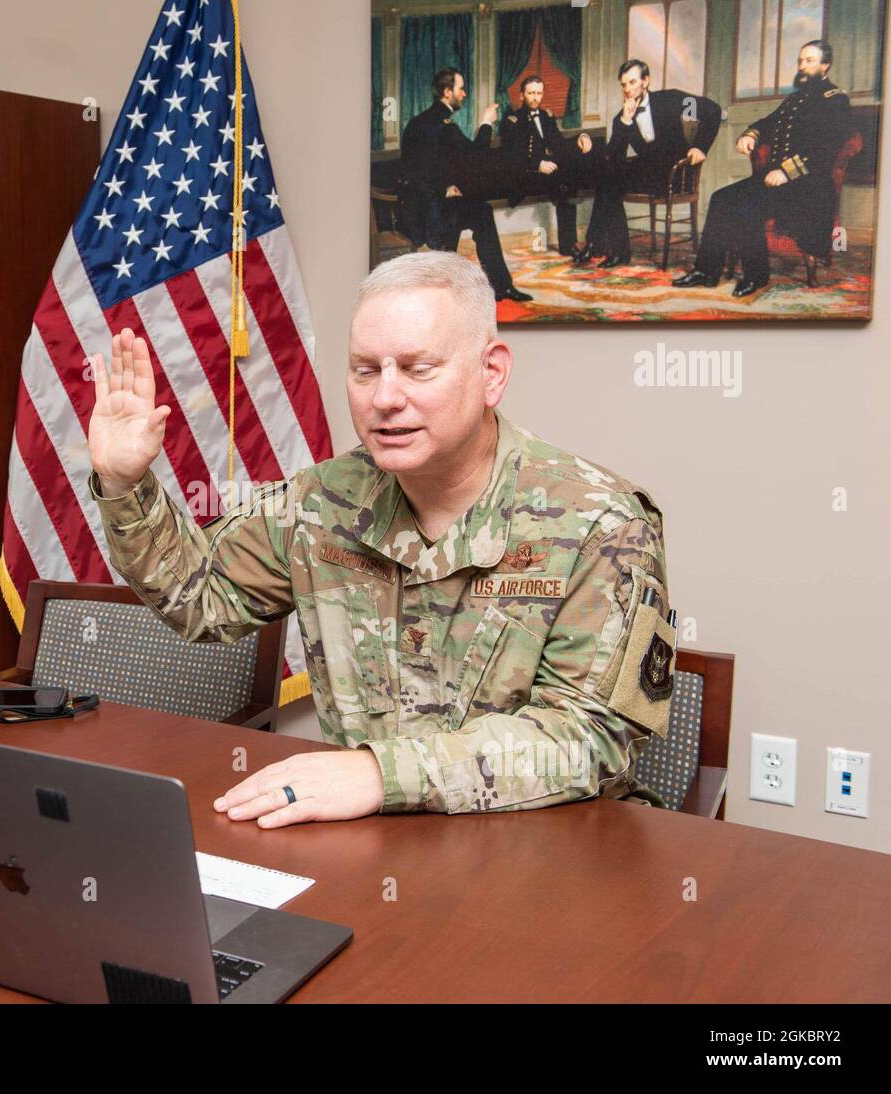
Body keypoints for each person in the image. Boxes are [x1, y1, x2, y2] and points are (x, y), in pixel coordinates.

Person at [84, 251, 674, 827]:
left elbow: (588, 738)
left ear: (490, 373)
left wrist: (376, 775)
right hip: (369, 844)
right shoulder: (323, 500)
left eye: (418, 369)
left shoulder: (600, 522)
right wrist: (123, 481)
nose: (384, 398)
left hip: (540, 850)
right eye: (366, 370)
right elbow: (202, 601)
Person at [673, 40, 852, 298]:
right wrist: (751, 134)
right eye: (800, 60)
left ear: (825, 65)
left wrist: (787, 172)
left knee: (748, 205)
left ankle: (756, 276)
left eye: (809, 61)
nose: (802, 66)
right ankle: (706, 271)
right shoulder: (795, 99)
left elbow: (827, 149)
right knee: (721, 197)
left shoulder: (834, 99)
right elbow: (767, 122)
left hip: (809, 187)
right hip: (776, 181)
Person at [399, 68, 532, 302]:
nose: (464, 94)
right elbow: (474, 157)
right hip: (431, 213)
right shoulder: (444, 124)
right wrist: (486, 122)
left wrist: (445, 186)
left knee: (479, 210)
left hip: (417, 208)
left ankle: (495, 287)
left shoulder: (420, 121)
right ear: (447, 91)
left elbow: (421, 167)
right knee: (481, 212)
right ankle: (498, 287)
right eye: (460, 89)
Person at [576, 59, 721, 268]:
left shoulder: (671, 100)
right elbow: (613, 157)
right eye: (624, 85)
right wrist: (625, 122)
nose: (627, 89)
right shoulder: (622, 117)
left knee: (608, 181)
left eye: (632, 82)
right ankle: (614, 250)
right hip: (647, 173)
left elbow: (712, 111)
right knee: (607, 177)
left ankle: (598, 245)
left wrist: (700, 147)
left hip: (676, 173)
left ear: (646, 81)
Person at [498, 75, 594, 257]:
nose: (535, 97)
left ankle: (570, 245)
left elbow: (560, 145)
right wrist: (538, 165)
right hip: (526, 173)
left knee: (566, 180)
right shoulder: (513, 120)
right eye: (531, 93)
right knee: (564, 182)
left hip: (548, 173)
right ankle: (570, 245)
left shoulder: (546, 117)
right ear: (521, 95)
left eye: (539, 93)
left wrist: (582, 136)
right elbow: (513, 155)